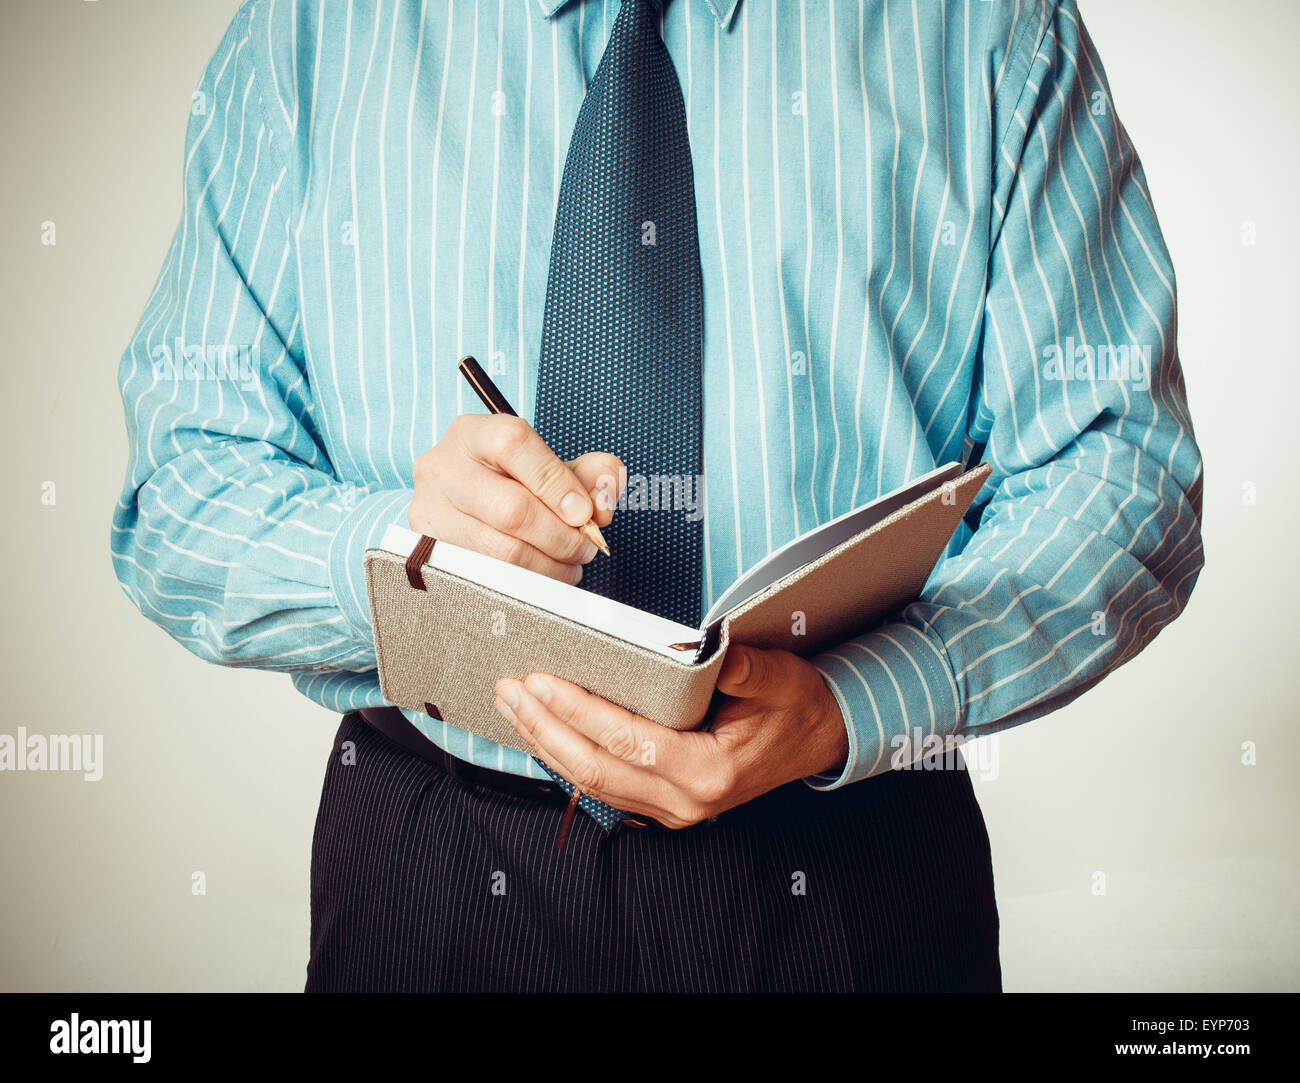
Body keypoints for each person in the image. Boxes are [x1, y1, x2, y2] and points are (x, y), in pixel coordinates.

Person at [111, 0, 1204, 992]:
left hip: (853, 858)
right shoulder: (309, 34)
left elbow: (1124, 465)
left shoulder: (987, 31)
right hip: (433, 867)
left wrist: (863, 698)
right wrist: (408, 552)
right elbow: (183, 489)